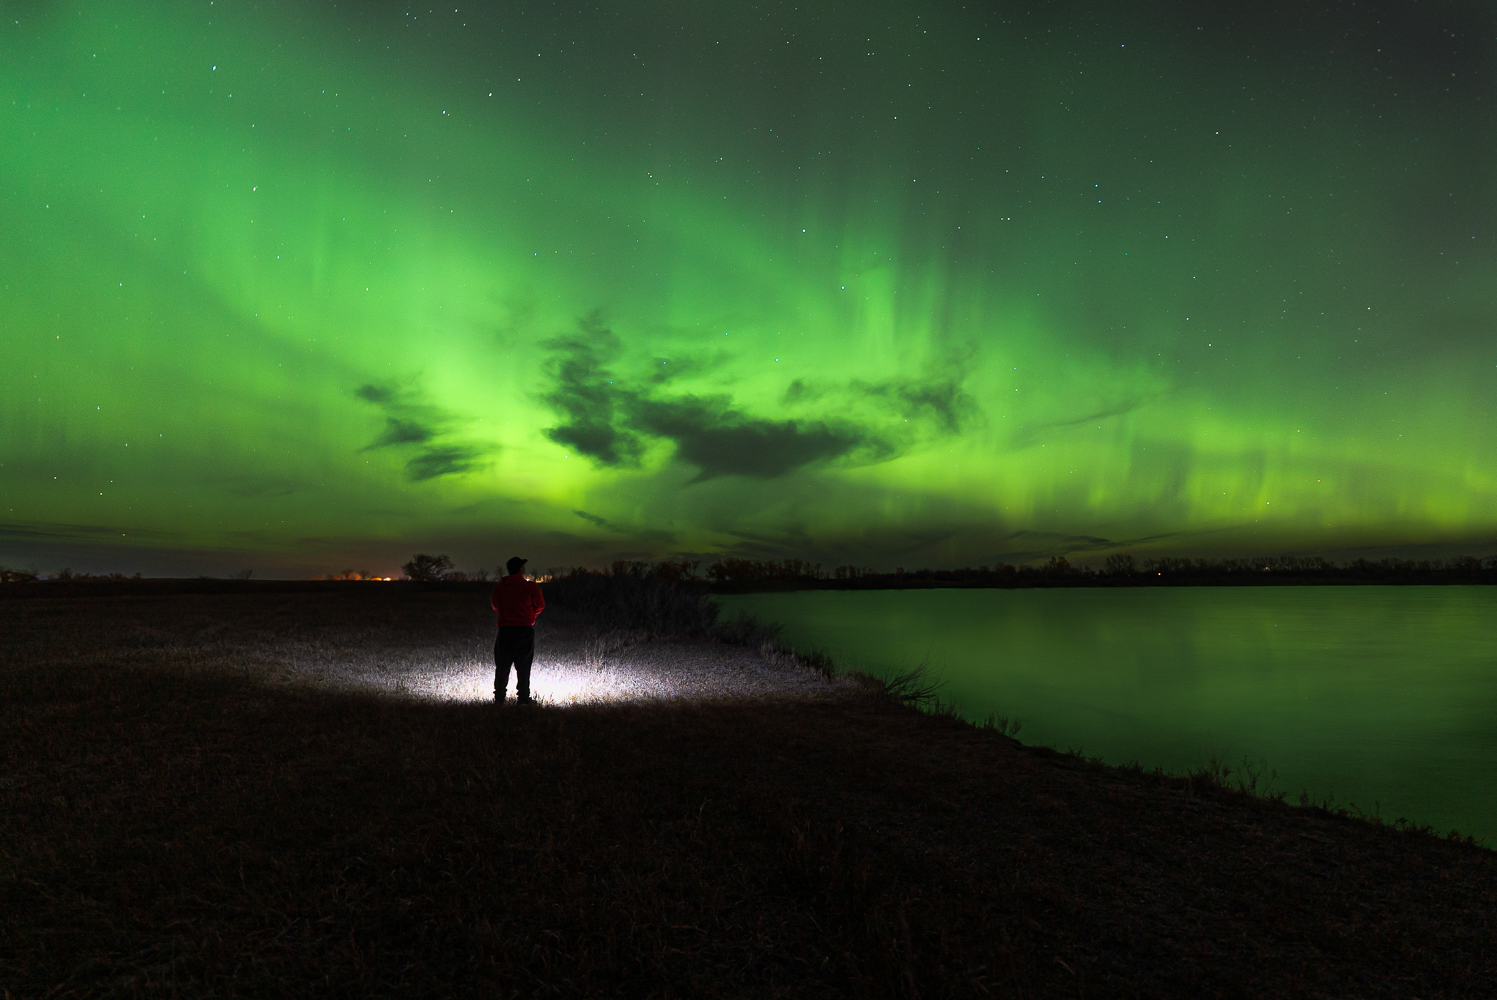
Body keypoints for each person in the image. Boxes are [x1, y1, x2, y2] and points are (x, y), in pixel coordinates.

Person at [491, 556, 545, 705]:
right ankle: (522, 698)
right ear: (521, 569)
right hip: (524, 630)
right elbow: (540, 605)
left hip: (505, 630)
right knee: (523, 664)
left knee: (502, 664)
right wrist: (529, 616)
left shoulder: (500, 587)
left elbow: (495, 606)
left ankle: (499, 698)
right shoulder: (530, 586)